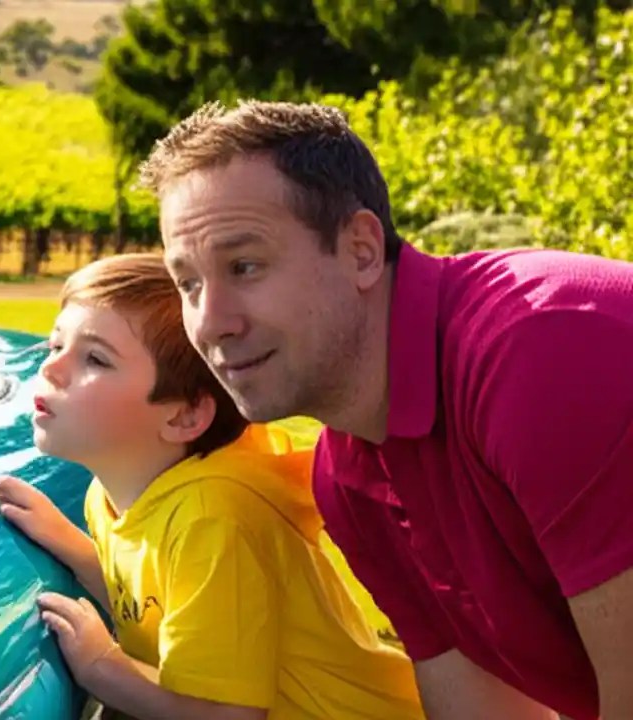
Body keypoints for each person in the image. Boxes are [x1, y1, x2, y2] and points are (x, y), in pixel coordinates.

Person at [146, 100, 633, 720]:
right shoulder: (345, 477)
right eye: (187, 283)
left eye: (245, 266)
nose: (210, 322)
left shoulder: (542, 356)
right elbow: (481, 707)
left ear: (362, 251)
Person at [0, 253, 424, 720]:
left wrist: (103, 668)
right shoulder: (113, 495)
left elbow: (227, 715)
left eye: (95, 358)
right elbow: (153, 602)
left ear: (184, 416)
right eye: (55, 345)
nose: (52, 368)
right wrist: (70, 545)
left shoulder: (214, 518)